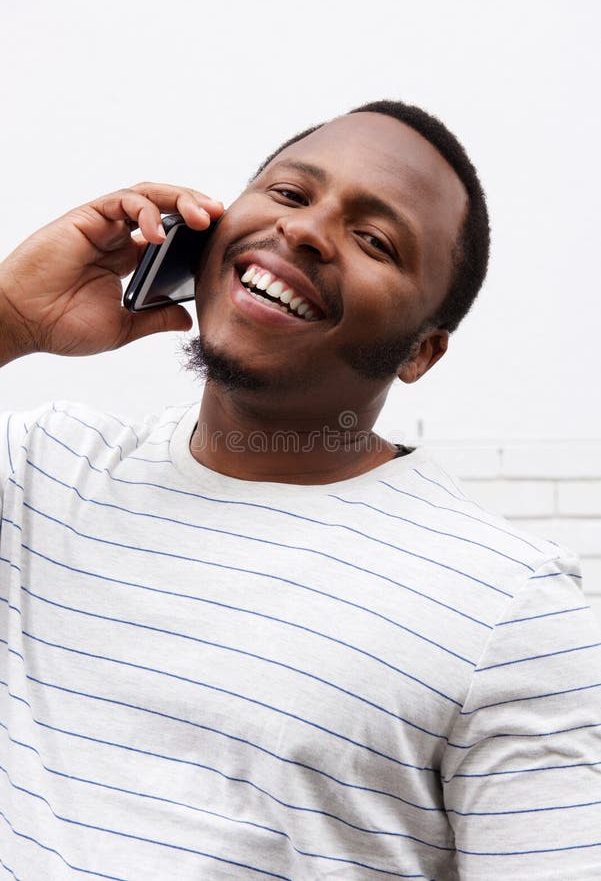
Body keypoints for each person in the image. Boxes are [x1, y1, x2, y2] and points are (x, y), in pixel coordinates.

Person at [0, 100, 599, 880]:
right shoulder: (46, 468)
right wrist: (8, 318)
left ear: (419, 352)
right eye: (288, 193)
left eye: (375, 240)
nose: (306, 229)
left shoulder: (511, 610)